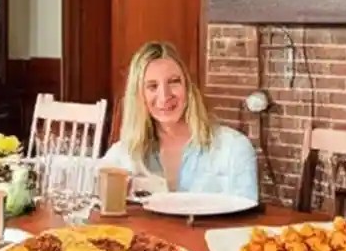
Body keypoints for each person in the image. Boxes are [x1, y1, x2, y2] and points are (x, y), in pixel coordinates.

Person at [101, 41, 259, 201]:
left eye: (174, 82)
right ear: (138, 96)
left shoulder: (234, 149)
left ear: (188, 87)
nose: (165, 96)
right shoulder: (124, 154)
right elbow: (94, 205)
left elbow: (246, 221)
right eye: (152, 86)